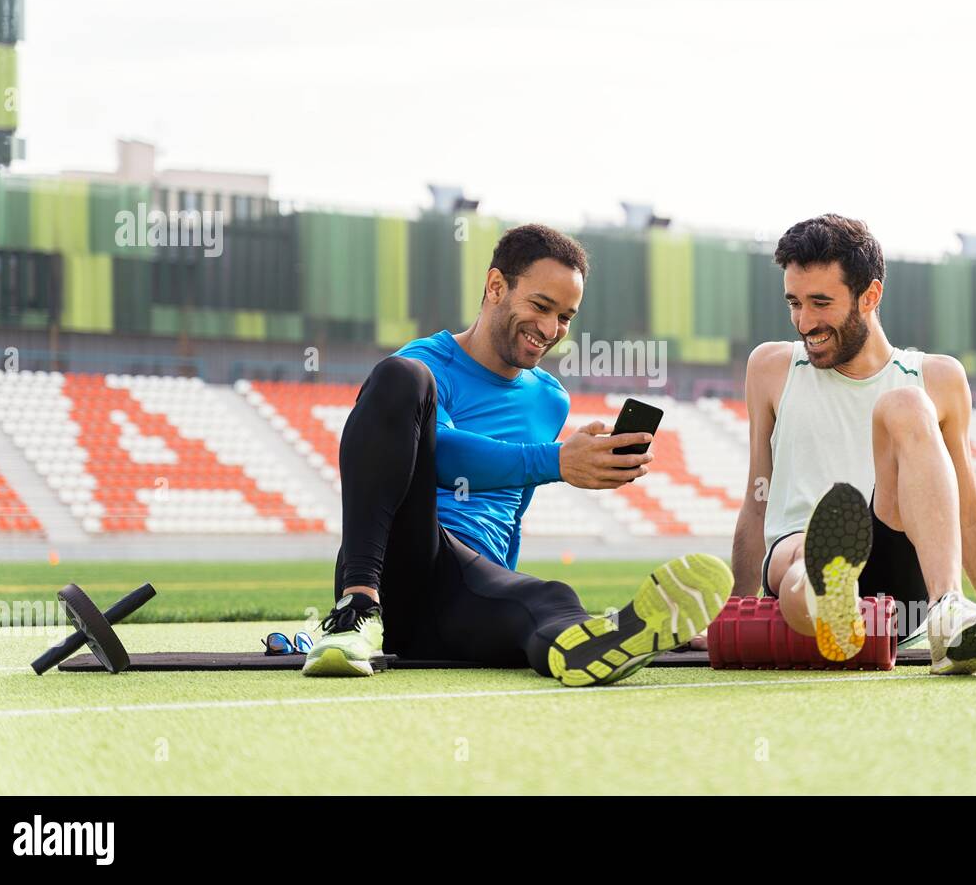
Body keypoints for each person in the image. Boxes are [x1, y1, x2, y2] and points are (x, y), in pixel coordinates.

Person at [303, 223, 733, 685]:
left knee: (548, 600)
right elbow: (444, 456)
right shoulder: (427, 365)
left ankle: (603, 640)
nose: (550, 330)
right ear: (495, 287)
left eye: (566, 316)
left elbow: (510, 513)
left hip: (464, 597)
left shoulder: (551, 399)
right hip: (400, 570)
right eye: (541, 306)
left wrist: (501, 587)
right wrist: (556, 461)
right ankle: (357, 612)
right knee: (399, 376)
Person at [730, 213, 976, 674]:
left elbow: (964, 510)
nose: (804, 322)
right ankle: (827, 595)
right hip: (792, 560)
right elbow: (757, 500)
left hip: (895, 577)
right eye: (794, 303)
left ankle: (949, 611)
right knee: (805, 555)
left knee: (906, 404)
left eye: (820, 303)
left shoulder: (937, 378)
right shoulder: (770, 368)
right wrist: (734, 614)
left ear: (870, 295)